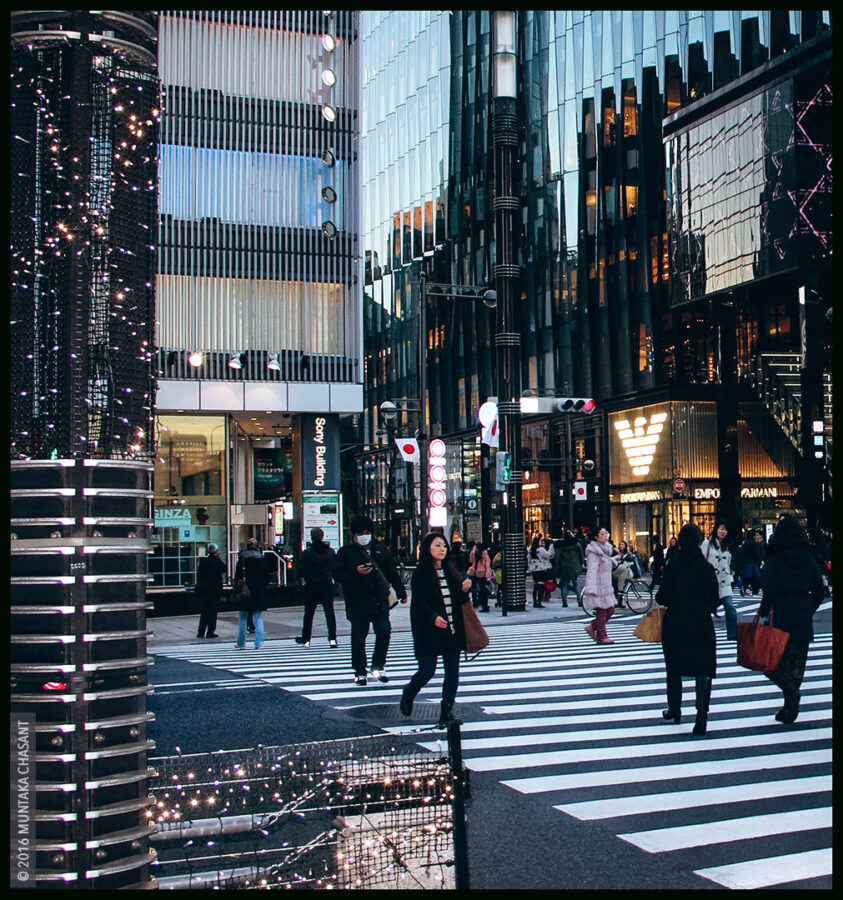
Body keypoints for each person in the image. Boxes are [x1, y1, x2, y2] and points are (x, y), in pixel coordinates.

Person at [399, 533, 473, 728]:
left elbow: (459, 601)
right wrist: (433, 617)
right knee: (427, 670)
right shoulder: (421, 573)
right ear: (428, 548)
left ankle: (446, 710)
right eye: (437, 545)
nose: (442, 549)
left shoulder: (450, 571)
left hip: (452, 629)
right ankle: (410, 691)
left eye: (444, 546)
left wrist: (465, 589)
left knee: (452, 671)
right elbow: (419, 602)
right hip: (429, 630)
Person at [758, 515, 825, 724]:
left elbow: (768, 590)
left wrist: (763, 611)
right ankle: (789, 706)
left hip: (781, 615)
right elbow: (820, 591)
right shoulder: (808, 558)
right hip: (802, 614)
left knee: (771, 664)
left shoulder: (774, 559)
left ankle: (790, 699)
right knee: (796, 667)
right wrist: (809, 608)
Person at [655, 523, 720, 735]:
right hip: (701, 622)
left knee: (674, 667)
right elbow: (714, 599)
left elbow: (662, 597)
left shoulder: (674, 565)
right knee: (703, 670)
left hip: (677, 622)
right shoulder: (707, 568)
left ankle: (675, 709)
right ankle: (702, 715)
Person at [333, 515, 407, 685]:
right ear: (354, 534)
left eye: (367, 532)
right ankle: (360, 671)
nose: (364, 536)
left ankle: (378, 665)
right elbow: (337, 574)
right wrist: (355, 572)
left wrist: (401, 592)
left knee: (384, 632)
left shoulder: (380, 549)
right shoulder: (345, 552)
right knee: (359, 637)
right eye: (360, 533)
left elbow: (391, 573)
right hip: (357, 601)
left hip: (379, 600)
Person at [295, 527, 338, 648]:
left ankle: (306, 639)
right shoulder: (330, 552)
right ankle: (332, 638)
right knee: (329, 611)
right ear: (322, 536)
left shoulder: (307, 553)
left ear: (312, 537)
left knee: (309, 613)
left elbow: (301, 571)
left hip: (312, 584)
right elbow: (335, 568)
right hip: (327, 583)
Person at [701, 521, 737, 639]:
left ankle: (732, 633)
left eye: (725, 530)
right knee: (705, 609)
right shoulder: (707, 543)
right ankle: (704, 633)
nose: (723, 532)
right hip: (710, 581)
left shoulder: (728, 545)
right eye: (721, 529)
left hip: (725, 581)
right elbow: (701, 559)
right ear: (716, 529)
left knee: (730, 607)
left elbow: (729, 562)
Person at [583, 527, 618, 644]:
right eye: (602, 534)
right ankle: (602, 637)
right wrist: (591, 588)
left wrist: (614, 560)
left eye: (606, 533)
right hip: (598, 586)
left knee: (611, 610)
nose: (605, 536)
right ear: (596, 537)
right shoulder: (594, 552)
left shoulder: (605, 549)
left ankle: (592, 626)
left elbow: (607, 562)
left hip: (606, 585)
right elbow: (591, 571)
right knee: (602, 612)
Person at [233, 538, 270, 649]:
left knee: (243, 617)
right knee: (257, 617)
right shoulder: (261, 558)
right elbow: (266, 578)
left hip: (245, 590)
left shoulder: (242, 558)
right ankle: (259, 643)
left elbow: (238, 575)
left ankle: (241, 643)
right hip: (258, 590)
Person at [195, 542, 226, 638]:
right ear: (216, 552)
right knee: (213, 611)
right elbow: (224, 569)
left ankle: (201, 632)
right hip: (215, 589)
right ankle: (210, 632)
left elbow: (199, 574)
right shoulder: (217, 561)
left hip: (204, 589)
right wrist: (219, 558)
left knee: (204, 611)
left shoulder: (203, 561)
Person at [554, 531, 584, 608]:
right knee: (575, 583)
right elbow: (581, 554)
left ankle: (564, 601)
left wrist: (556, 568)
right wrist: (581, 563)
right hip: (575, 566)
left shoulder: (560, 545)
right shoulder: (576, 543)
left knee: (564, 584)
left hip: (564, 566)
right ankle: (579, 600)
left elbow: (557, 557)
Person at [467, 540, 494, 612]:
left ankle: (485, 605)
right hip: (475, 573)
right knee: (479, 590)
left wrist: (488, 576)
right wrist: (473, 551)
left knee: (482, 591)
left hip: (482, 574)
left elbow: (488, 566)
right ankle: (482, 604)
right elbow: (471, 560)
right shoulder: (476, 555)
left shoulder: (485, 555)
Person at [527, 536, 554, 607]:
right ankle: (539, 601)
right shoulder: (541, 550)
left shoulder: (531, 550)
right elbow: (549, 556)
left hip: (533, 570)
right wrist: (551, 548)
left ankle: (534, 602)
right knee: (541, 585)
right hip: (541, 569)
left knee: (535, 586)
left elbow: (528, 559)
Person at [740, 529, 765, 595]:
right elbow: (756, 553)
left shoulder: (745, 543)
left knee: (747, 577)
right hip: (753, 563)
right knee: (756, 578)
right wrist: (760, 561)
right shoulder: (754, 543)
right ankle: (755, 590)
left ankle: (744, 587)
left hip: (746, 562)